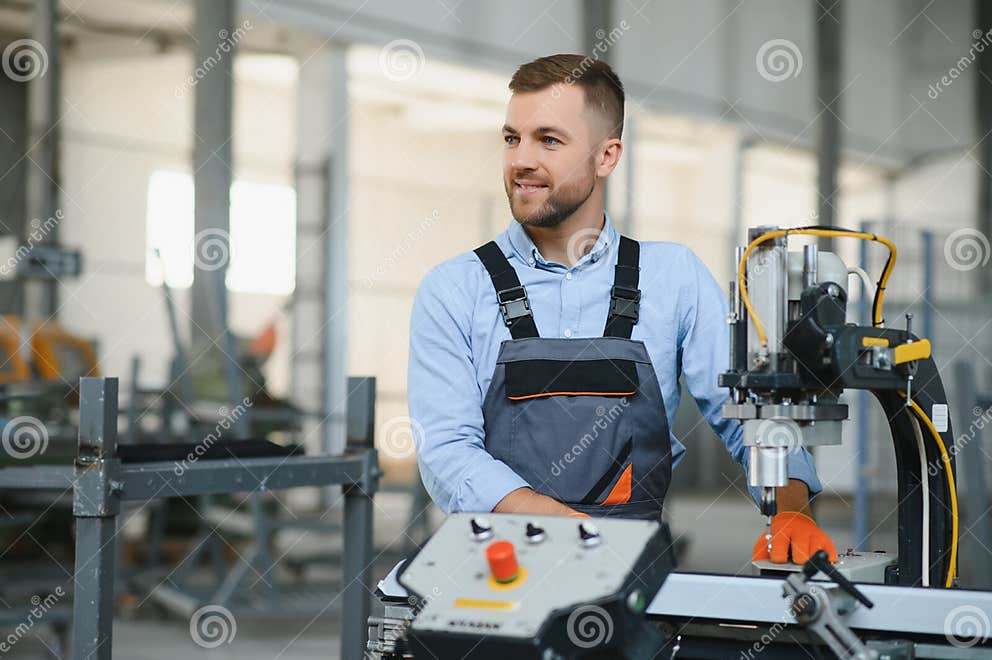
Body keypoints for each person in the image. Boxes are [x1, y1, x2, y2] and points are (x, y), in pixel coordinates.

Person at [407, 54, 836, 564]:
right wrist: (565, 530)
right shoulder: (453, 290)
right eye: (511, 138)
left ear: (607, 156)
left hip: (633, 576)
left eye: (548, 139)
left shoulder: (673, 278)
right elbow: (448, 451)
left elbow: (749, 415)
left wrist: (791, 508)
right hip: (498, 574)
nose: (521, 159)